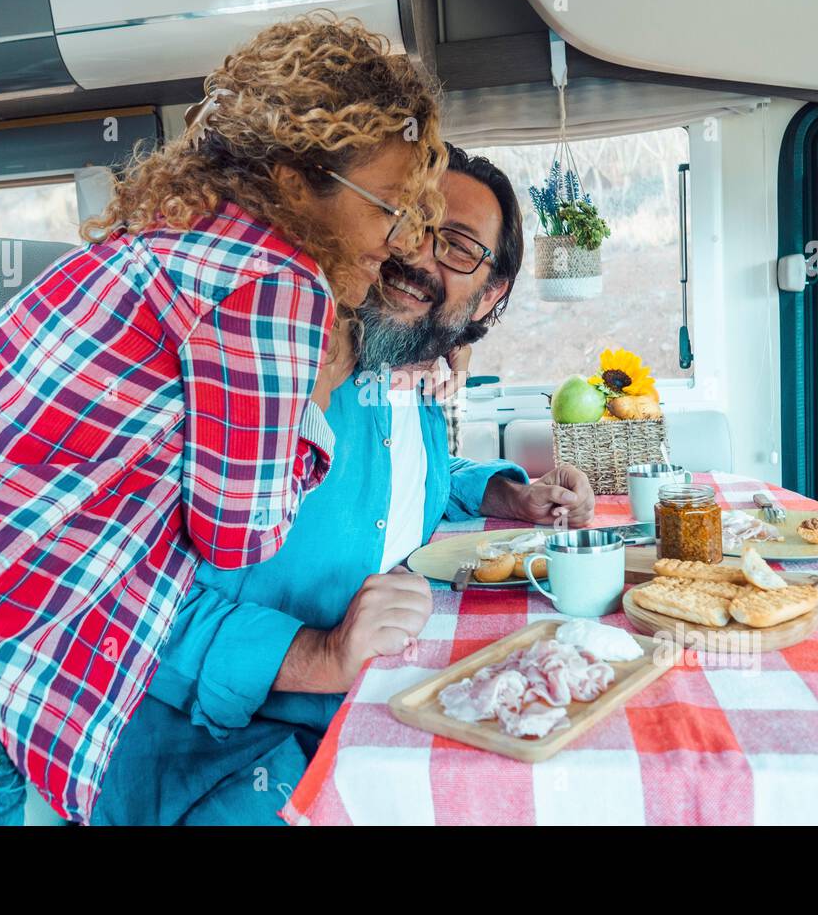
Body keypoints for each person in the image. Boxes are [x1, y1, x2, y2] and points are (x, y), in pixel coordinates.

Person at [0, 14, 447, 825]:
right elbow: (241, 533)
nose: (400, 241)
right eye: (389, 208)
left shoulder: (160, 242)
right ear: (299, 180)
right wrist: (319, 398)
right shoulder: (276, 281)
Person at [94, 144, 595, 825]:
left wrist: (504, 493)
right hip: (218, 763)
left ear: (492, 291)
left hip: (363, 721)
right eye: (413, 222)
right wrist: (317, 657)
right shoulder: (263, 357)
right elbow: (114, 602)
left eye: (456, 245)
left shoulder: (402, 364)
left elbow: (401, 488)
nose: (419, 254)